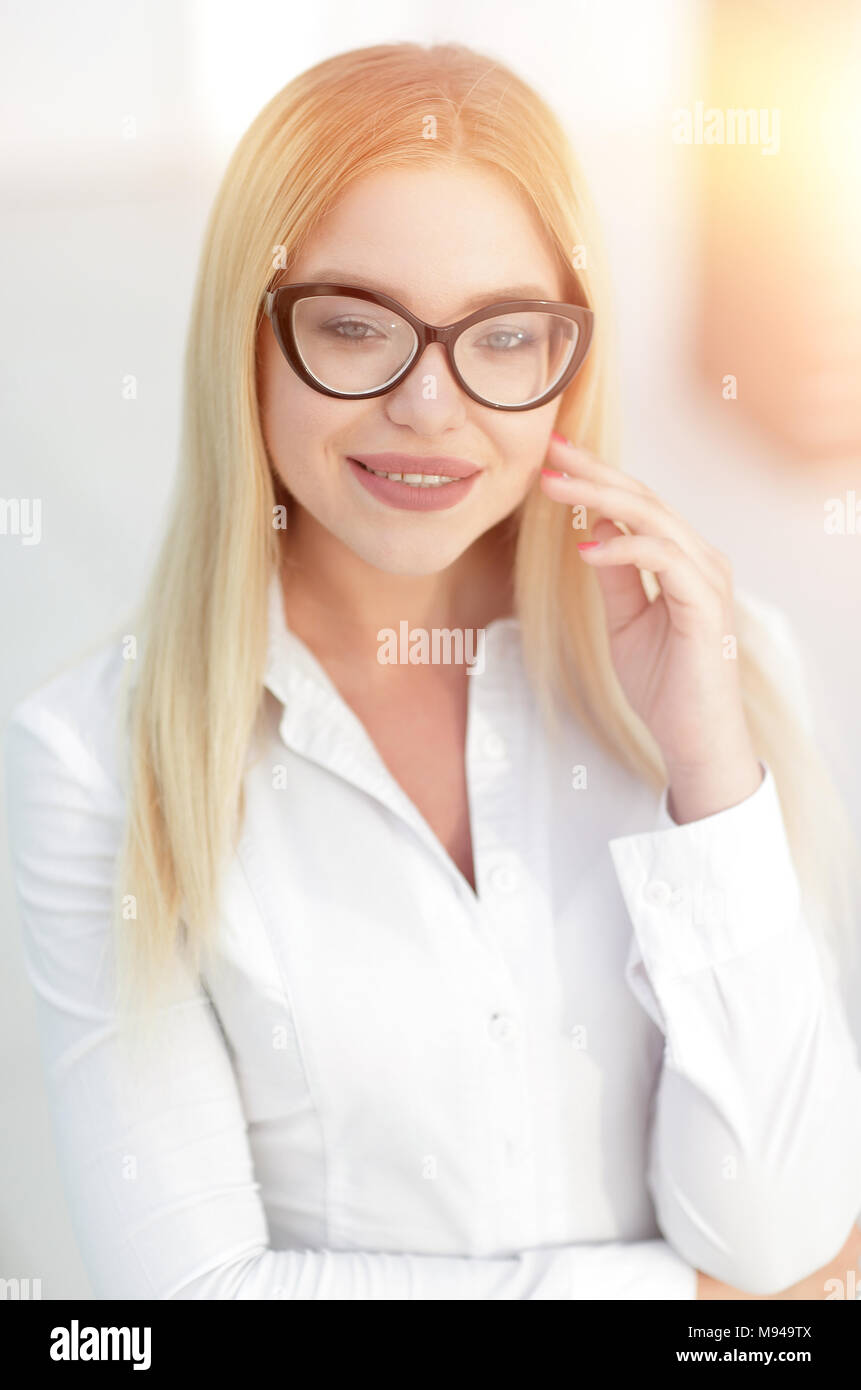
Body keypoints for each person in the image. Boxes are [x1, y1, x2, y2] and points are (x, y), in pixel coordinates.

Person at [5, 41, 861, 1301]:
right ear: (248, 334)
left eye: (504, 336)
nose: (427, 404)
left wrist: (707, 773)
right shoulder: (96, 757)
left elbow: (784, 1238)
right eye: (354, 327)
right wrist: (685, 1305)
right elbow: (184, 1304)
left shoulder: (731, 677)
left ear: (569, 359)